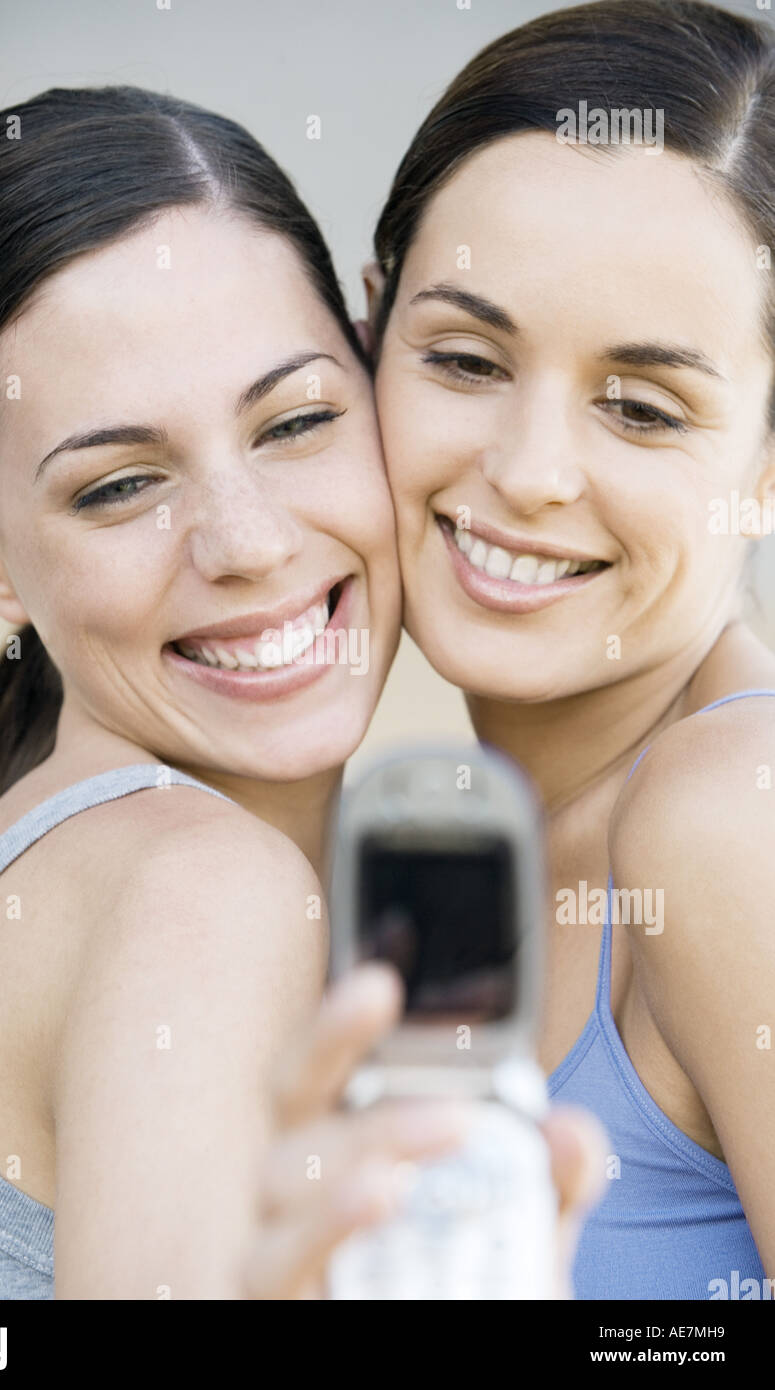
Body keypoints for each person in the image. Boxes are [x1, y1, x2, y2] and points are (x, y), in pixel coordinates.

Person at [0, 85, 601, 1300]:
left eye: (297, 419)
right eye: (117, 487)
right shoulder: (205, 887)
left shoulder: (72, 859)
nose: (247, 543)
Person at [357, 0, 775, 1298]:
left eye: (639, 408)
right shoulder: (449, 852)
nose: (529, 473)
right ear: (370, 331)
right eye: (465, 358)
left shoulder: (728, 817)